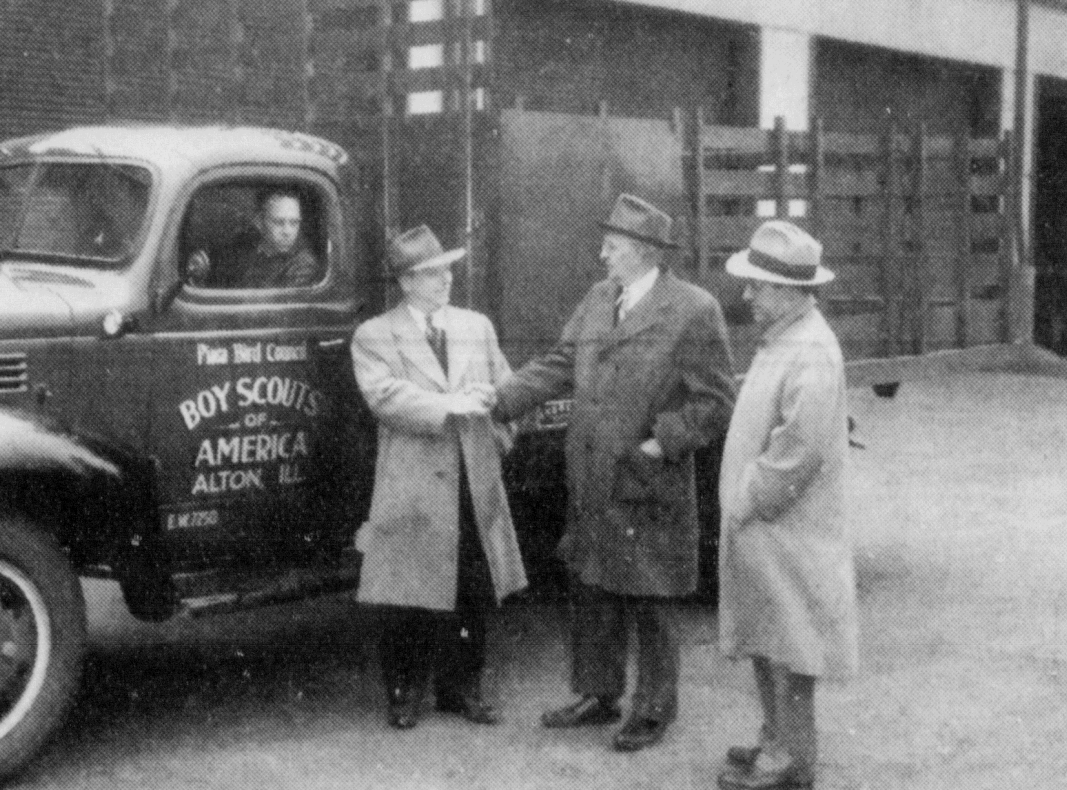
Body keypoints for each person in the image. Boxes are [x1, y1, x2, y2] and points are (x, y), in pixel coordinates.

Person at [492, 194, 734, 752]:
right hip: (591, 470)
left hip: (647, 476)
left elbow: (716, 401)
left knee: (650, 592)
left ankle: (653, 709)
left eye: (614, 246)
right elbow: (560, 363)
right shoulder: (600, 298)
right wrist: (502, 398)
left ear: (646, 253)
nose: (602, 255)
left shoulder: (693, 309)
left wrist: (660, 443)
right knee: (590, 581)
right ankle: (598, 694)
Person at [351, 224, 528, 730]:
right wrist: (452, 405)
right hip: (412, 484)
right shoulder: (375, 334)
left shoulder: (476, 325)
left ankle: (463, 690)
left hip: (473, 479)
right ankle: (404, 693)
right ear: (405, 282)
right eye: (431, 273)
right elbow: (384, 398)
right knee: (405, 594)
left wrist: (502, 434)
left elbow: (507, 389)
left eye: (446, 269)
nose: (444, 279)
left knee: (472, 587)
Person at [716, 220, 858, 790]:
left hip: (786, 525)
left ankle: (793, 763)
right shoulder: (786, 338)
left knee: (792, 646)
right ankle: (774, 741)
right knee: (767, 637)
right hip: (766, 525)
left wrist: (747, 499)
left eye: (757, 285)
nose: (746, 294)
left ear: (791, 291)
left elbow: (798, 454)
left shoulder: (811, 351)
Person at [214, 191, 321, 288]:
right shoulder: (245, 248)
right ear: (260, 222)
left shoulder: (303, 265)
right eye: (279, 222)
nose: (287, 232)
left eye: (294, 223)